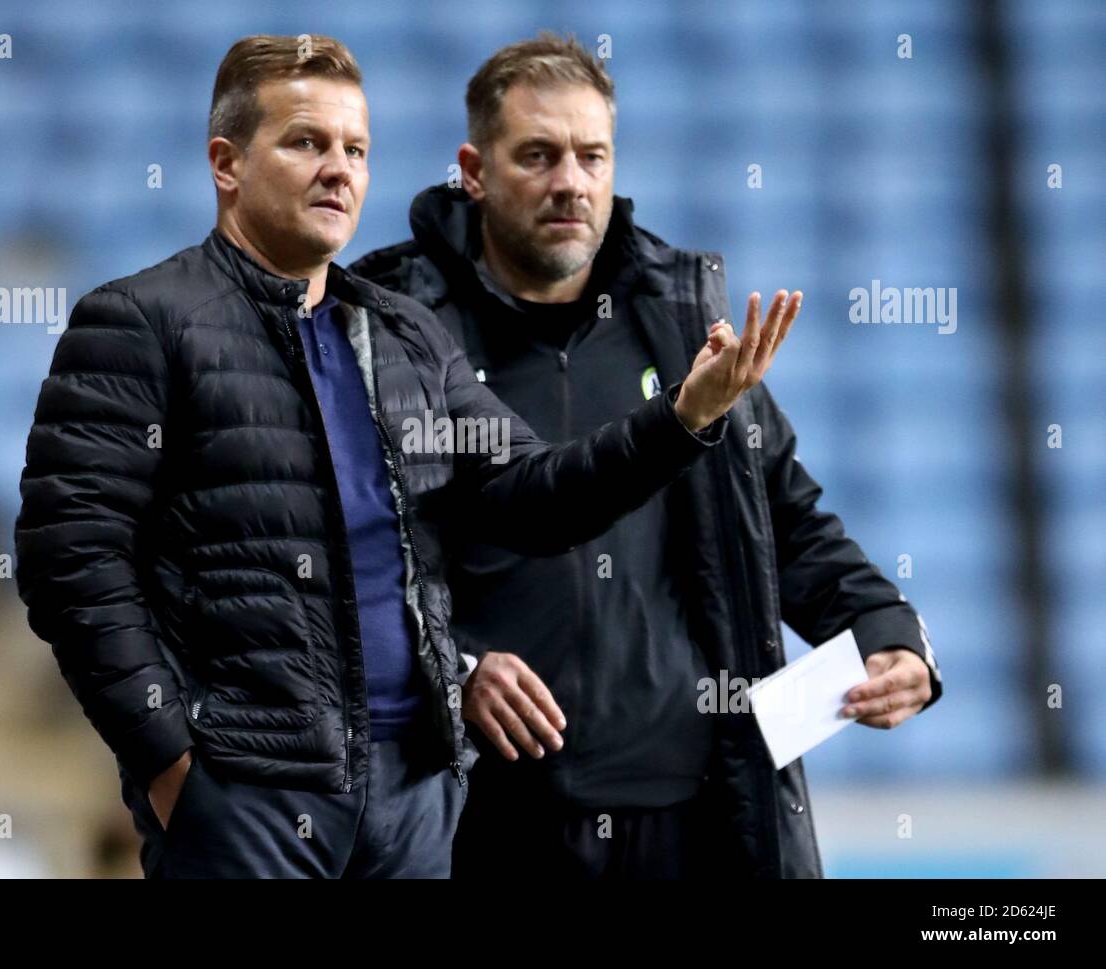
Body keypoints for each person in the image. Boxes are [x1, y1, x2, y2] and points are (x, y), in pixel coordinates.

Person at [13, 34, 789, 878]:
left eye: (355, 149)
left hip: (413, 802)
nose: (338, 169)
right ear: (226, 164)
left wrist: (680, 417)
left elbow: (536, 494)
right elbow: (69, 560)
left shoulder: (403, 336)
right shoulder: (138, 322)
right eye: (306, 142)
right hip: (250, 797)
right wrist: (173, 769)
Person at [352, 32, 942, 879]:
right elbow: (353, 559)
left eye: (593, 156)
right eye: (539, 156)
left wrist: (889, 632)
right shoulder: (394, 326)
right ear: (473, 171)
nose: (571, 183)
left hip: (689, 818)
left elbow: (780, 513)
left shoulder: (678, 317)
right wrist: (457, 670)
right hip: (481, 820)